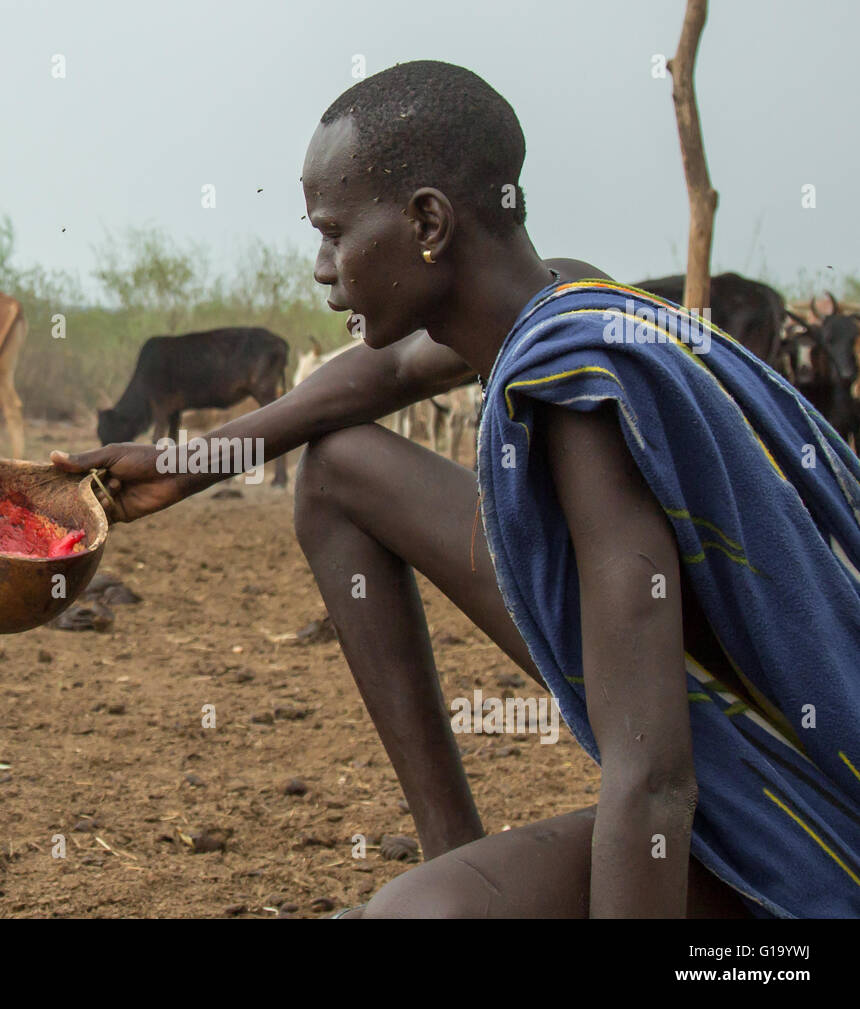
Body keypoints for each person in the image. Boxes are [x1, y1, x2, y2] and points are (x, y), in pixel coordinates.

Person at [52, 60, 860, 918]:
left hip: (806, 812)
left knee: (417, 915)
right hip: (697, 706)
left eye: (333, 232)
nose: (321, 267)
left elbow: (654, 782)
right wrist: (184, 465)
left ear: (427, 222)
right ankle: (458, 851)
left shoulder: (579, 399)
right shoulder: (564, 293)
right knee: (337, 471)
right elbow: (382, 374)